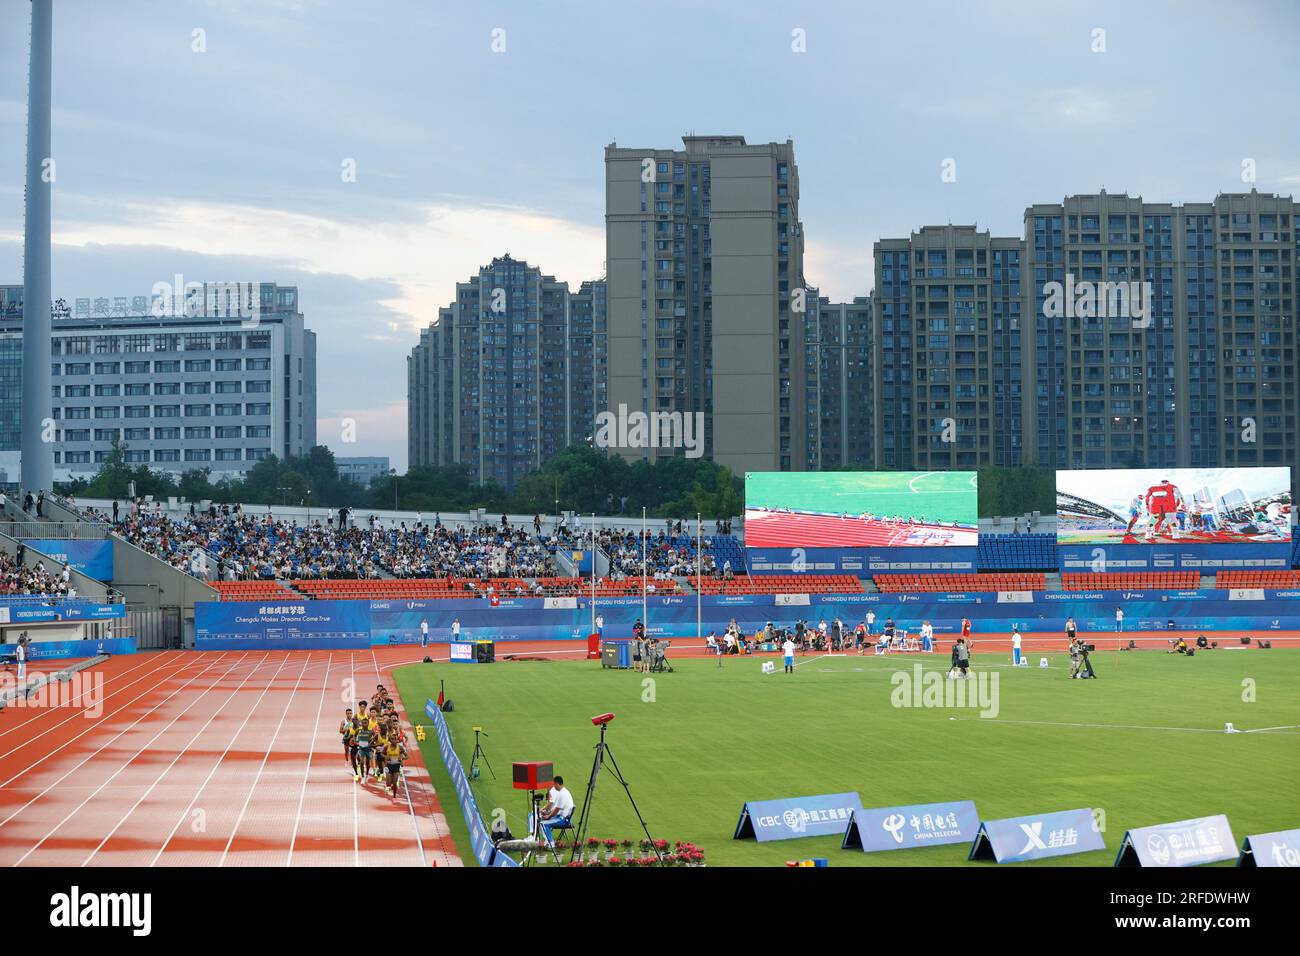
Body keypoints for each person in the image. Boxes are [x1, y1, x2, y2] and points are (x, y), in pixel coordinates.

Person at [538, 775, 575, 844]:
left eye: (554, 784)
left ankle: (550, 843)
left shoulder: (562, 794)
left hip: (564, 820)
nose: (553, 786)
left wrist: (548, 816)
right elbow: (556, 809)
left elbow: (556, 810)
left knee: (543, 824)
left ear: (557, 784)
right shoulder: (563, 792)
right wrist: (548, 814)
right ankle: (546, 841)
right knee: (543, 820)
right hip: (563, 817)